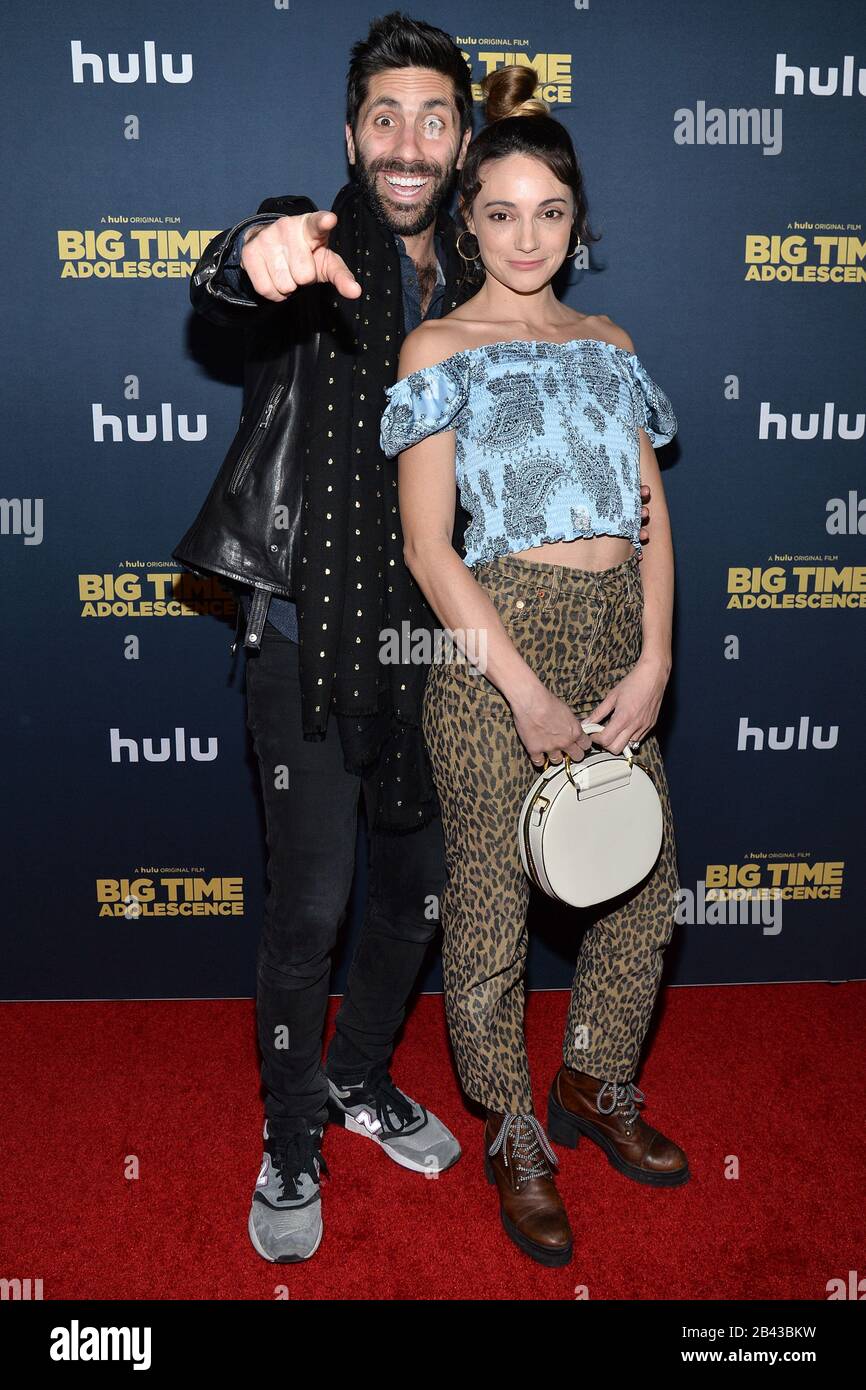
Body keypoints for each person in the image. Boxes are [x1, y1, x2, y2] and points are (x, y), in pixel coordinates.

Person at [380, 64, 687, 1269]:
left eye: (547, 211)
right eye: (497, 211)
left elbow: (655, 518)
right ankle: (512, 1127)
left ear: (577, 221)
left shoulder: (609, 343)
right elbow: (422, 544)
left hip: (619, 628)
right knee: (495, 905)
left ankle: (594, 1079)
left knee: (645, 887)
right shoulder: (435, 346)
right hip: (493, 638)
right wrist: (516, 683)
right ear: (466, 220)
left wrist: (657, 654)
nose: (523, 235)